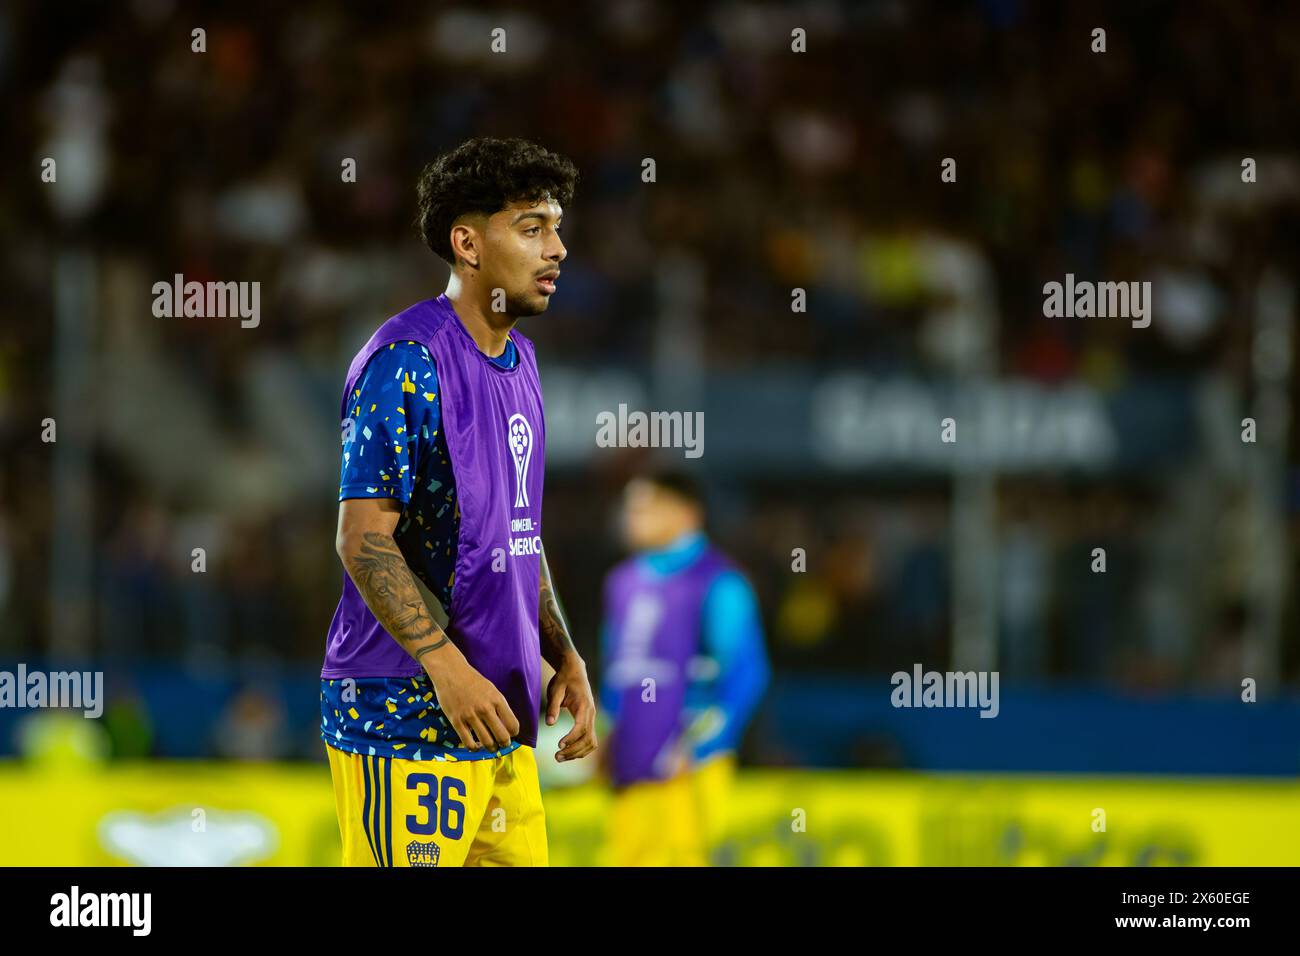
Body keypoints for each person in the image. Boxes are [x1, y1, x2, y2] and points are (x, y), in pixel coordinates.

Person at [321, 137, 596, 867]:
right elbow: (362, 540)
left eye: (557, 226)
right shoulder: (405, 361)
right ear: (468, 244)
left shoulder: (522, 361)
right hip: (405, 709)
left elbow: (519, 532)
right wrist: (446, 668)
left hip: (496, 712)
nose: (558, 248)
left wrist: (559, 648)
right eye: (532, 227)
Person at [600, 469, 769, 865]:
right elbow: (616, 673)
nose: (631, 517)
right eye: (630, 508)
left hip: (687, 770)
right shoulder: (621, 583)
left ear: (685, 513)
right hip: (629, 766)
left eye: (645, 507)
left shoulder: (719, 582)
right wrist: (606, 734)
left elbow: (746, 674)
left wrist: (699, 745)